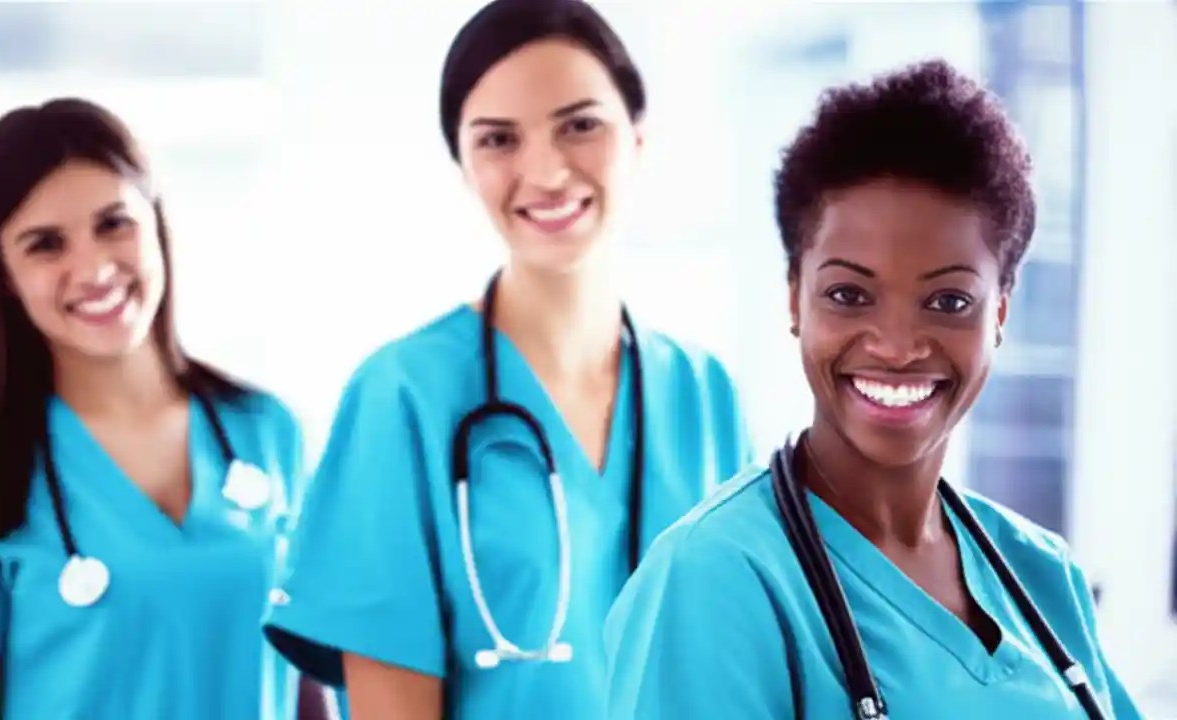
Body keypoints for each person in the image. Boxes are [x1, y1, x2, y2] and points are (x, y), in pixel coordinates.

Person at [602, 59, 1144, 719]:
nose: (896, 344)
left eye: (948, 300)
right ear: (795, 299)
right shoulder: (714, 580)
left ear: (999, 312)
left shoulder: (1041, 571)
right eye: (848, 295)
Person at [261, 1, 755, 718]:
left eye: (580, 125)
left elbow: (734, 662)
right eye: (498, 140)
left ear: (640, 141)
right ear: (464, 168)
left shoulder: (702, 391)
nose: (547, 172)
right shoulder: (402, 395)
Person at [0, 98, 309, 719]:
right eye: (46, 245)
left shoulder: (266, 432)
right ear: (4, 275)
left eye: (114, 223)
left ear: (157, 223)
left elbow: (306, 686)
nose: (93, 268)